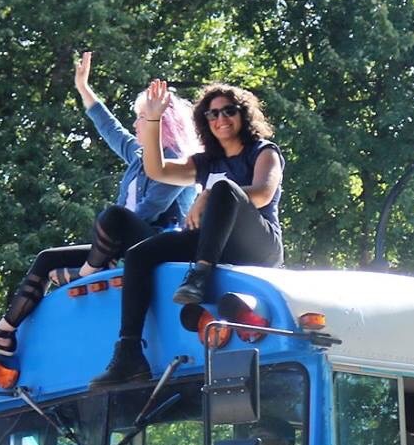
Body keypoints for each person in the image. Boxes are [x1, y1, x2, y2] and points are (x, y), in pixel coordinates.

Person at [0, 53, 199, 358]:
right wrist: (83, 88)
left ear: (161, 124)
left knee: (114, 216)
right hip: (119, 247)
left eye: (141, 118)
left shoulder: (173, 164)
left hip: (156, 244)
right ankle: (5, 332)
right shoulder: (139, 157)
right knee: (47, 258)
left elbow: (146, 213)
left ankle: (88, 270)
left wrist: (104, 247)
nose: (135, 124)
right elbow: (110, 129)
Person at [91, 79, 285, 387]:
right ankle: (129, 352)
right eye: (213, 114)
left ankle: (200, 276)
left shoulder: (263, 152)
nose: (221, 119)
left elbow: (262, 193)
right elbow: (158, 171)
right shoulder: (207, 161)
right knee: (140, 254)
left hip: (257, 245)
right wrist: (153, 119)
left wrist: (207, 195)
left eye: (228, 111)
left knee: (223, 190)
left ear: (243, 115)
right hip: (214, 241)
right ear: (205, 121)